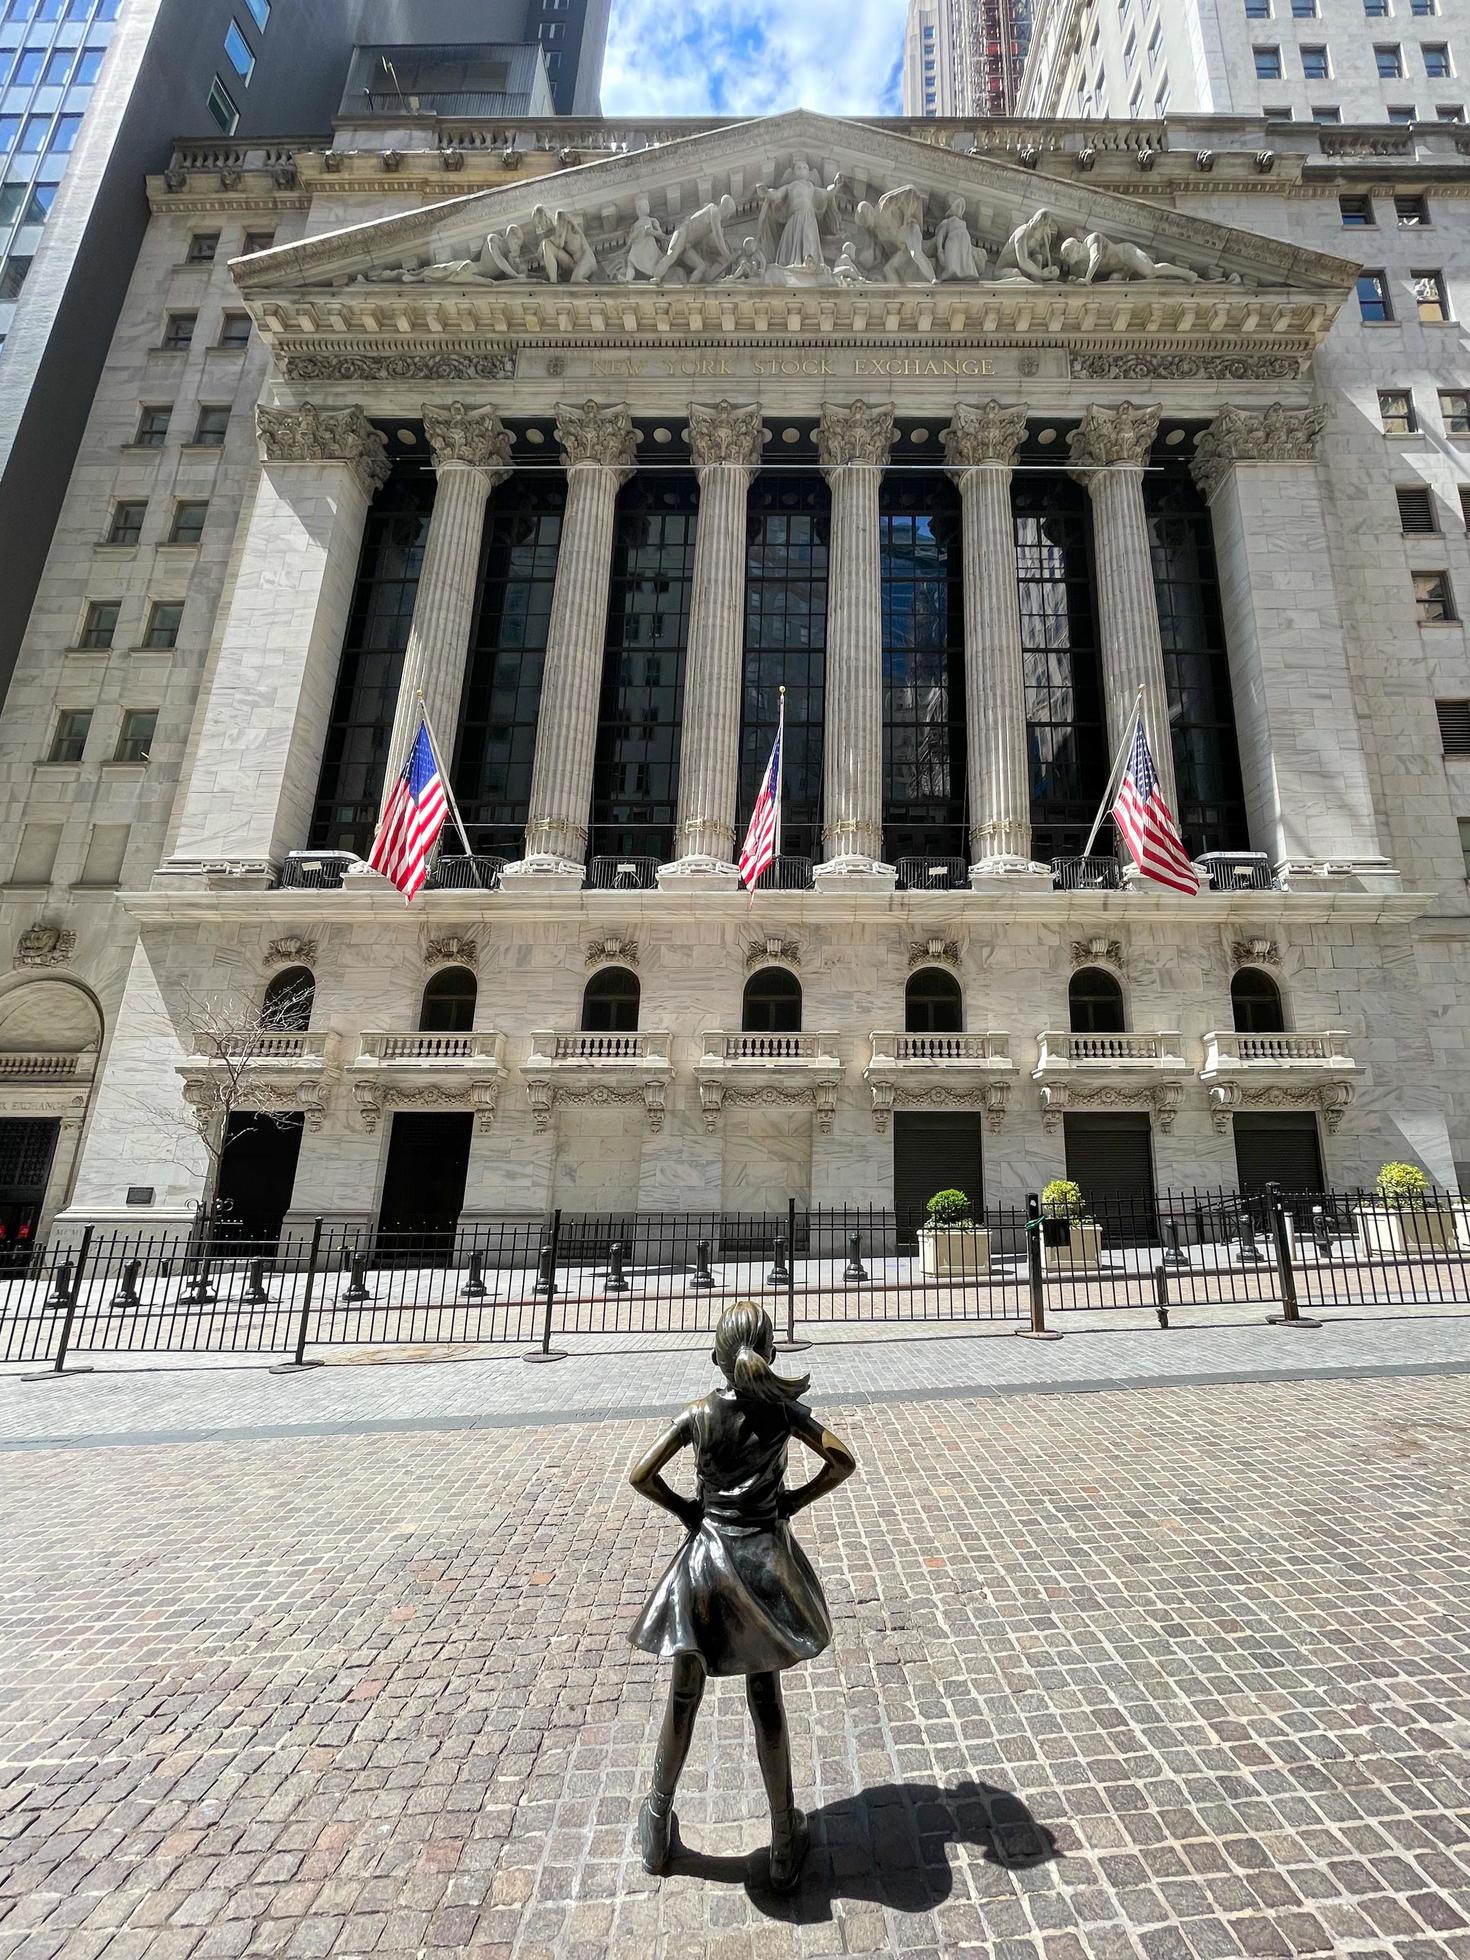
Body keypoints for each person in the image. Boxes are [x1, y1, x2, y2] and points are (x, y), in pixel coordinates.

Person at [628, 1301, 857, 1892]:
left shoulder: (698, 1413)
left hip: (705, 1561)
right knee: (766, 1695)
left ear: (717, 1356)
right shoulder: (782, 1411)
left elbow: (641, 1475)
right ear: (769, 1353)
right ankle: (784, 1840)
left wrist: (690, 1511)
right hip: (760, 1564)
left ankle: (656, 1826)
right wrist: (792, 1503)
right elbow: (841, 1460)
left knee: (684, 1692)